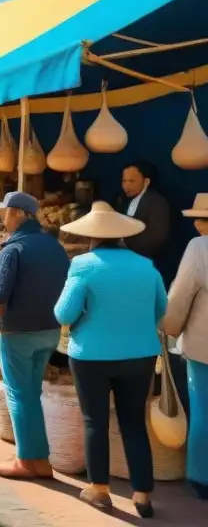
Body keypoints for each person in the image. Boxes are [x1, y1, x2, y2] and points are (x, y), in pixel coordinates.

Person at [54, 202, 166, 517]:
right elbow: (161, 309)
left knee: (95, 422)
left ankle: (99, 490)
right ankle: (143, 495)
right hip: (141, 354)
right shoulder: (147, 265)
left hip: (92, 356)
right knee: (134, 423)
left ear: (91, 236)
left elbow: (63, 313)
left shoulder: (82, 265)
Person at [0, 192, 70, 480]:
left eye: (5, 212)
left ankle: (25, 460)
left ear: (19, 214)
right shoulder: (54, 246)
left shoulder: (13, 248)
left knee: (19, 394)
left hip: (18, 331)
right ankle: (40, 460)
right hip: (49, 330)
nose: (3, 217)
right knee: (32, 393)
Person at [161, 193, 208, 500]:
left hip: (204, 347)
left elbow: (179, 298)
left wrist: (168, 330)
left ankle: (203, 477)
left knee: (204, 409)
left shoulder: (200, 248)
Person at [118, 160, 171, 283]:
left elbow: (157, 237)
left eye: (131, 181)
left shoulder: (157, 203)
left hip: (143, 264)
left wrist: (125, 243)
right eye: (124, 181)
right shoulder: (124, 202)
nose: (126, 186)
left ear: (146, 181)